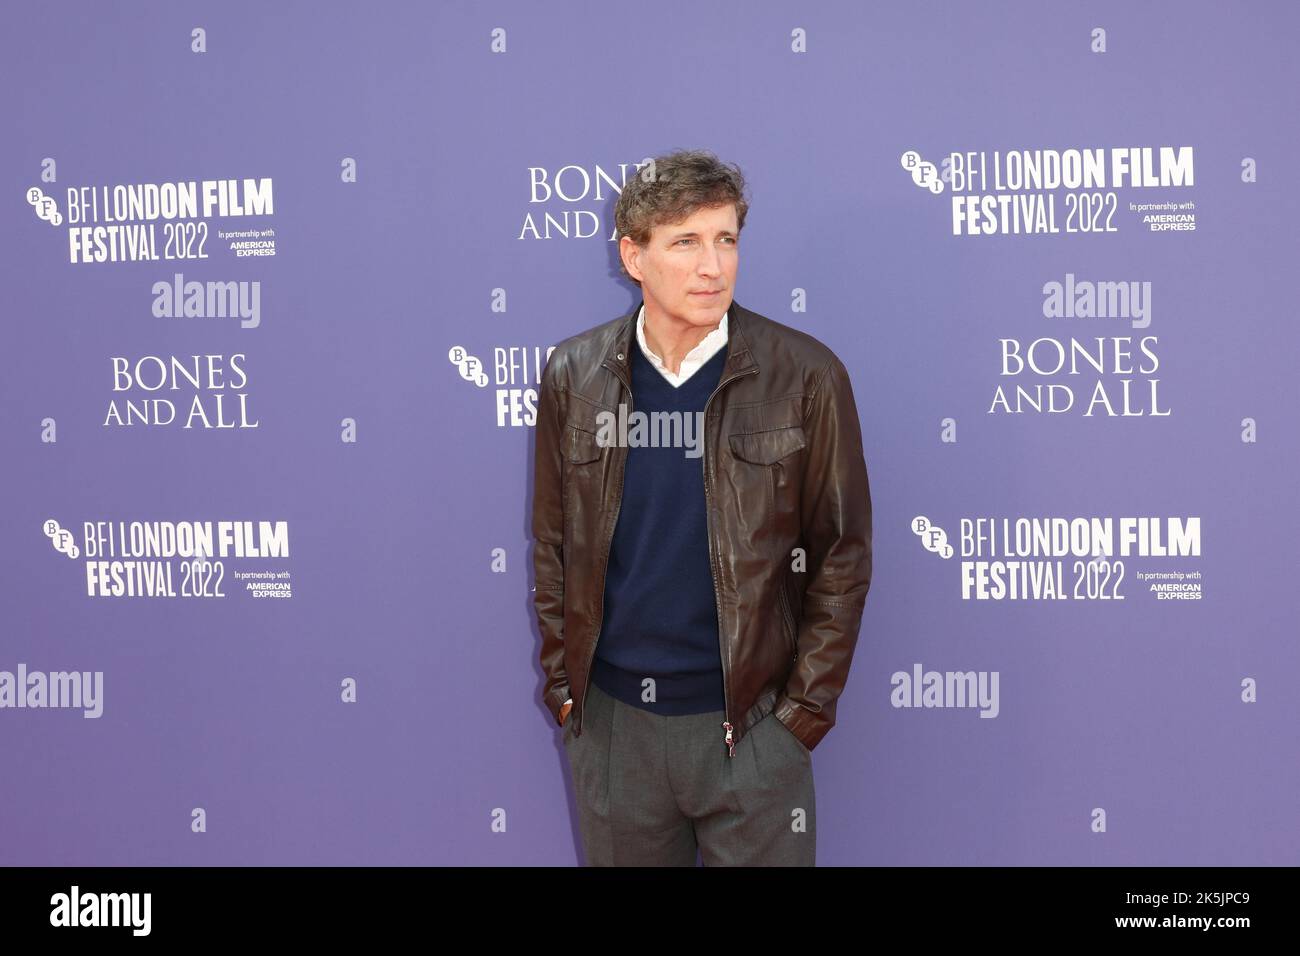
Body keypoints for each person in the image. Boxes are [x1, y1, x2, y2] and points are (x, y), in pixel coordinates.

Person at [531, 148, 872, 866]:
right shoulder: (574, 375)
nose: (712, 266)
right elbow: (553, 545)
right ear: (633, 256)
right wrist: (568, 695)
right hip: (615, 734)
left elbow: (841, 553)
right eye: (685, 242)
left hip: (750, 732)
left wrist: (799, 717)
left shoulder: (807, 376)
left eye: (726, 240)